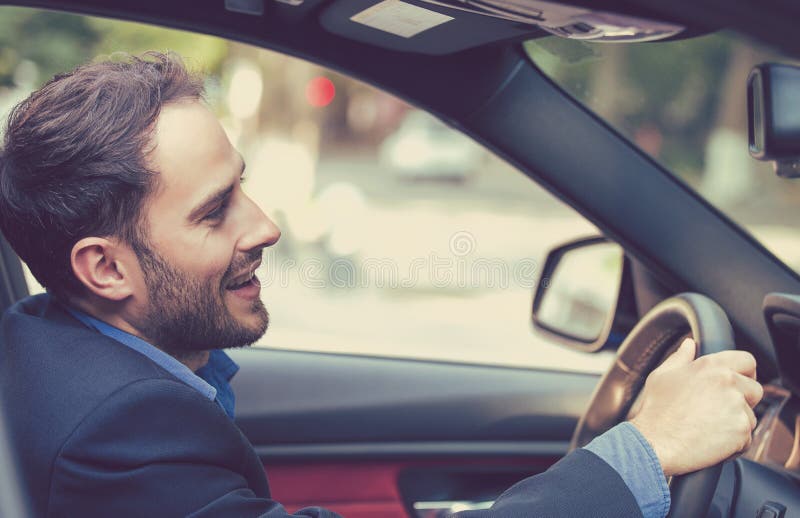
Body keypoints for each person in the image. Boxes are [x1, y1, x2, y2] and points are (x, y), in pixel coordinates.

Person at [0, 53, 762, 518]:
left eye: (244, 186)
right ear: (105, 268)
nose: (265, 226)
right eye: (214, 212)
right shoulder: (114, 434)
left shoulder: (58, 349)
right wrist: (650, 448)